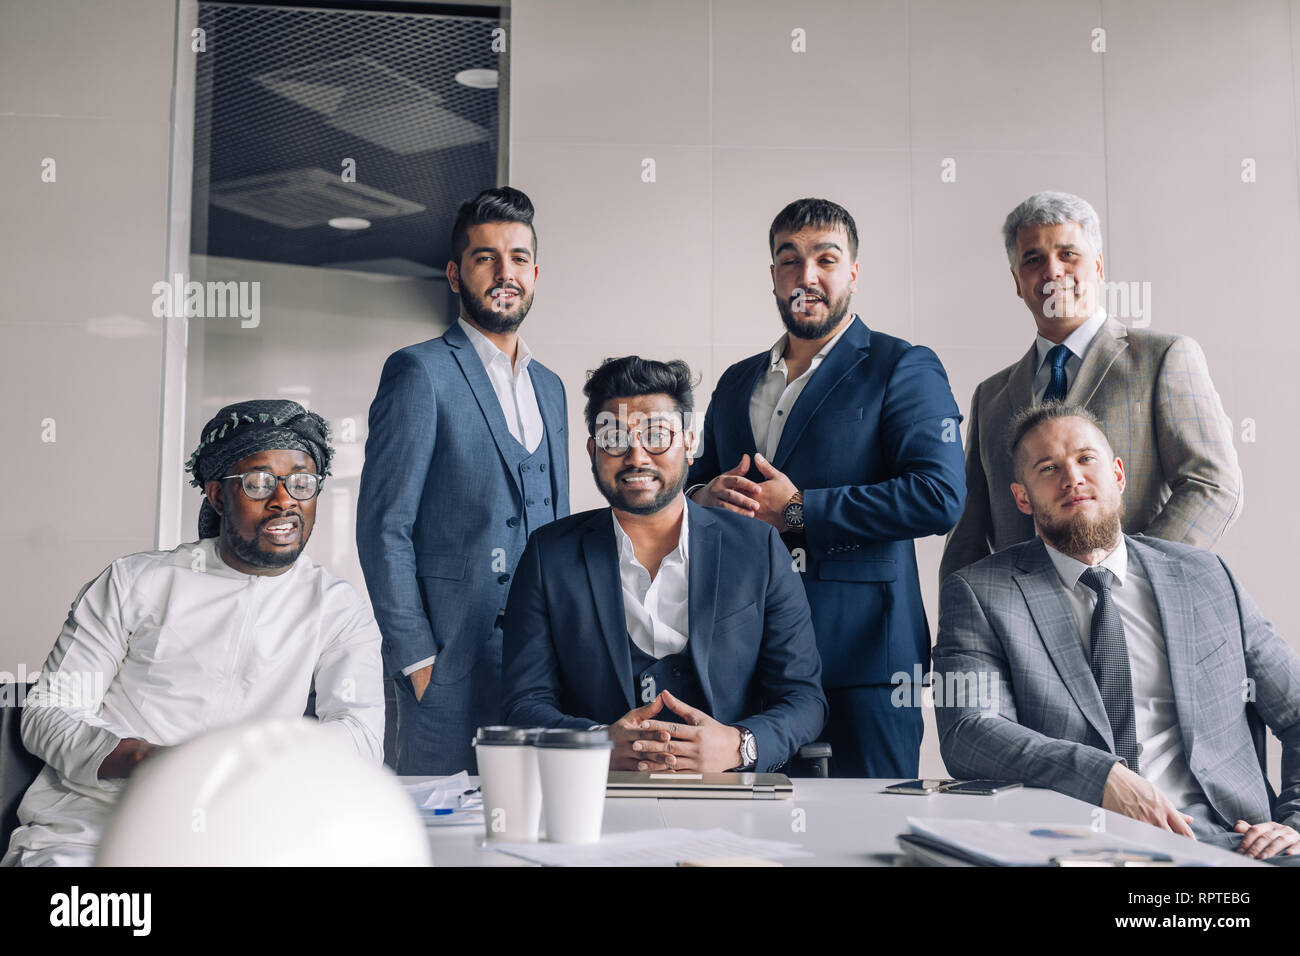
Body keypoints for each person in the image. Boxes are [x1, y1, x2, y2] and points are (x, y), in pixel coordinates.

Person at [2, 400, 384, 867]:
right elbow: (49, 713)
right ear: (218, 496)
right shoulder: (134, 581)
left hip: (243, 837)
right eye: (259, 482)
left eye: (301, 482)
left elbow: (361, 734)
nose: (284, 500)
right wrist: (144, 761)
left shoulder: (337, 606)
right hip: (93, 830)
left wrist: (258, 767)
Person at [933, 404, 1300, 860]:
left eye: (1086, 459)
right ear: (1023, 498)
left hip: (1236, 843)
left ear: (1118, 475)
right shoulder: (980, 593)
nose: (1072, 478)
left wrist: (1295, 820)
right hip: (1078, 846)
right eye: (1048, 468)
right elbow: (971, 731)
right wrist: (1102, 776)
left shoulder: (1205, 576)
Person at [685, 198, 965, 777]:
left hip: (864, 665)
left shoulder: (903, 366)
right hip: (748, 663)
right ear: (772, 277)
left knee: (866, 840)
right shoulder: (737, 382)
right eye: (789, 260)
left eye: (825, 259)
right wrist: (701, 499)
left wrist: (797, 512)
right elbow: (694, 482)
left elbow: (939, 495)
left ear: (853, 273)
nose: (806, 276)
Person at [503, 357, 827, 773]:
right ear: (592, 450)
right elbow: (522, 704)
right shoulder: (550, 554)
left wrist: (739, 746)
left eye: (657, 435)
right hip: (597, 800)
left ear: (689, 443)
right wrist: (595, 744)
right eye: (614, 437)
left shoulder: (758, 548)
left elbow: (804, 699)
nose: (637, 456)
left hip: (732, 801)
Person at [358, 186, 569, 775]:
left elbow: (558, 529)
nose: (506, 273)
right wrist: (415, 657)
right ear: (455, 274)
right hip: (444, 668)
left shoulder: (550, 387)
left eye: (519, 258)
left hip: (538, 674)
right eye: (485, 257)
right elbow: (384, 527)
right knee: (438, 839)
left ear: (535, 273)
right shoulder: (418, 371)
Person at [939, 191, 1242, 582]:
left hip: (1135, 619)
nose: (1052, 271)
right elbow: (967, 533)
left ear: (1098, 266)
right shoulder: (991, 397)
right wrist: (960, 629)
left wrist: (1134, 579)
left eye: (1068, 254)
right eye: (1033, 259)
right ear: (1017, 282)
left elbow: (1213, 484)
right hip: (1024, 626)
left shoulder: (1163, 357)